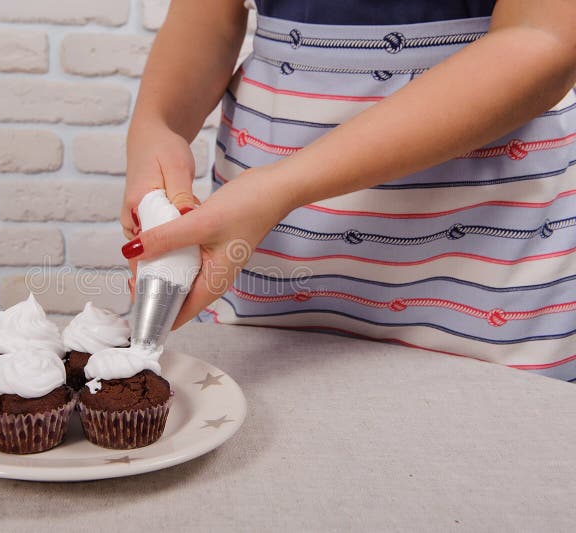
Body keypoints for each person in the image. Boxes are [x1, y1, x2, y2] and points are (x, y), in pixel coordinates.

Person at [120, 0, 576, 381]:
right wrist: (155, 128)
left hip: (486, 244)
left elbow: (543, 38)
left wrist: (280, 188)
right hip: (273, 250)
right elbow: (209, 17)